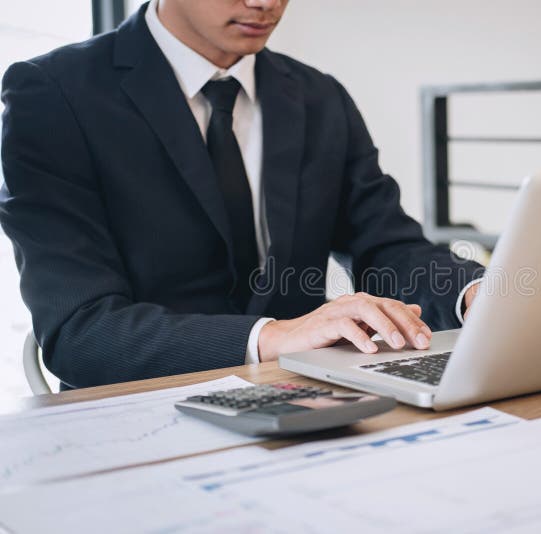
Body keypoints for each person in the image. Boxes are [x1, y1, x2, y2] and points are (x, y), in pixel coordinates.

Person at [0, 0, 483, 389]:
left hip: (308, 396)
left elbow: (390, 248)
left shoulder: (319, 96)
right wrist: (273, 336)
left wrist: (477, 294)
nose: (265, 4)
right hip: (145, 406)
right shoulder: (54, 94)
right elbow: (81, 331)